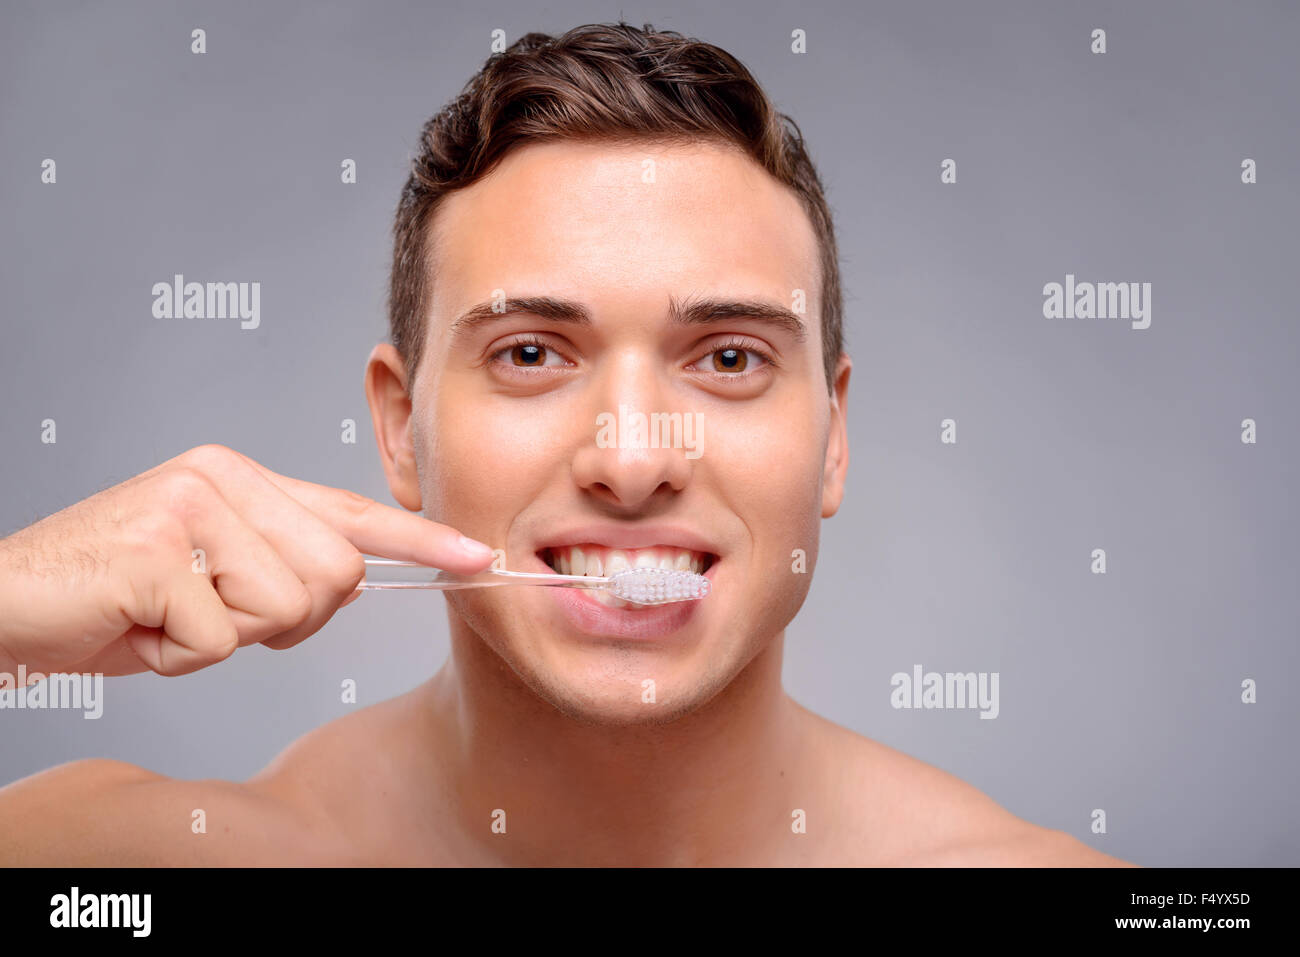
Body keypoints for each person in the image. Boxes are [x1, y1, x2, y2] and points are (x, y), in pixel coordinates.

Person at [0, 22, 1132, 866]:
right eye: (532, 355)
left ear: (833, 439)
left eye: (729, 358)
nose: (634, 460)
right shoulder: (104, 867)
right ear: (402, 427)